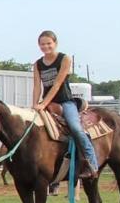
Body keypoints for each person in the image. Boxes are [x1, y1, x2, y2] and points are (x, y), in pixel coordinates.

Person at [32, 30, 98, 178]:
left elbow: (57, 84)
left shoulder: (64, 59)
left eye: (48, 43)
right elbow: (37, 86)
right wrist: (34, 104)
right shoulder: (37, 64)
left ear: (55, 43)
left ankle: (92, 164)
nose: (45, 46)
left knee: (75, 128)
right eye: (42, 44)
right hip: (47, 103)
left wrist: (43, 104)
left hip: (65, 101)